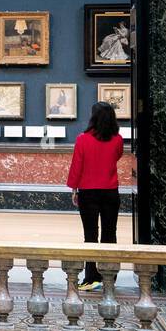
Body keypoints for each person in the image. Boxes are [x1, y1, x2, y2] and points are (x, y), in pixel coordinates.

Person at [67, 101, 124, 291]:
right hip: (110, 191)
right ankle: (109, 276)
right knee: (110, 234)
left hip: (88, 192)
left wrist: (74, 189)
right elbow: (117, 156)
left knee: (90, 235)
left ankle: (91, 278)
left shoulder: (82, 139)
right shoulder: (117, 139)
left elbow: (77, 166)